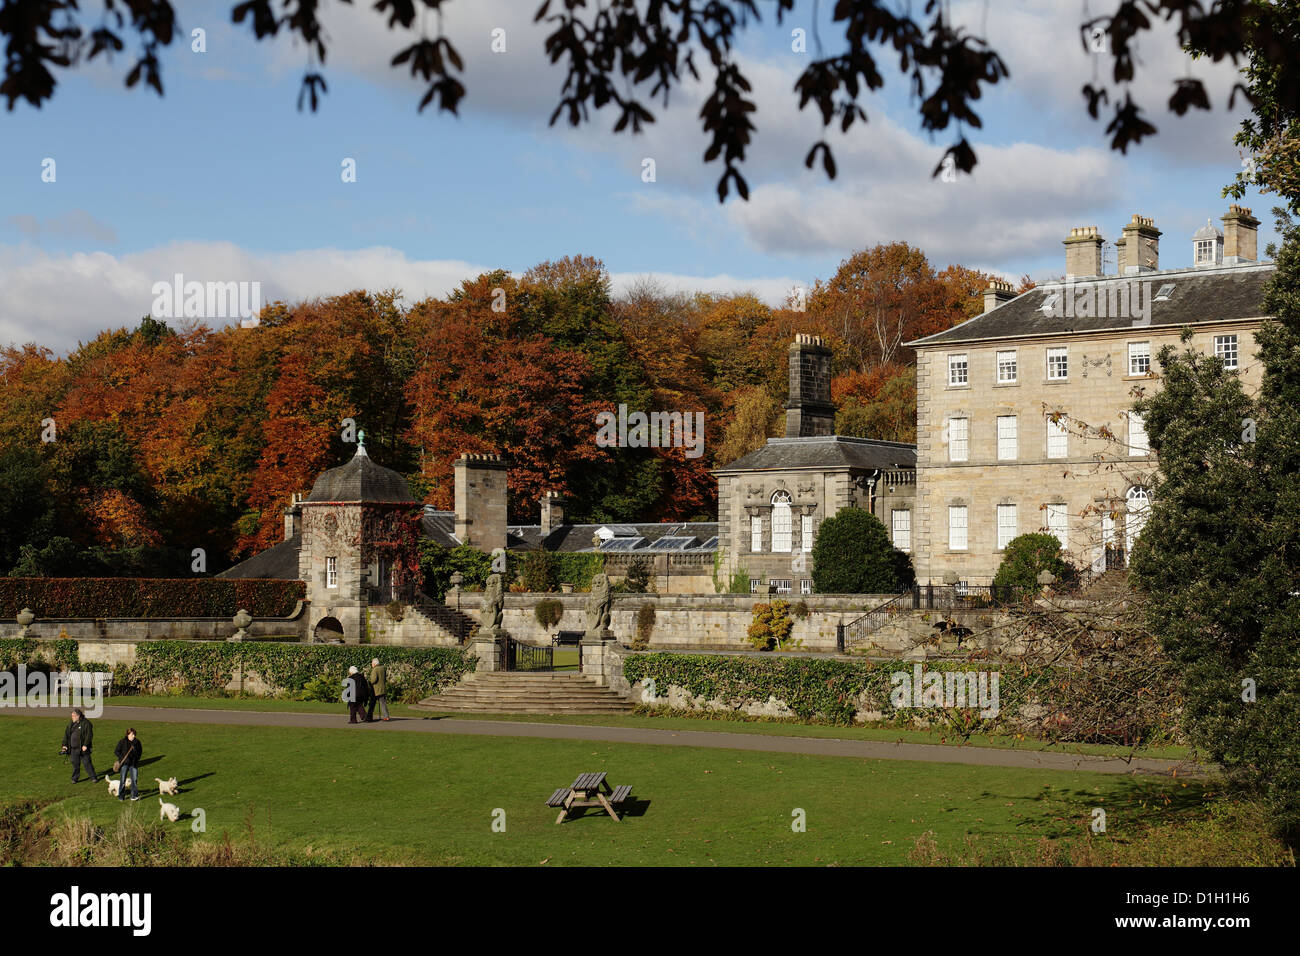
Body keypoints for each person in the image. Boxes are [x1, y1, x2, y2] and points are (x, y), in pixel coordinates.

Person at [60, 707, 98, 783]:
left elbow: (89, 735)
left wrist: (85, 745)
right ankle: (74, 778)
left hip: (83, 749)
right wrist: (64, 745)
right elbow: (66, 735)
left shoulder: (86, 723)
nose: (72, 717)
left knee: (87, 763)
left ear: (78, 716)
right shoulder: (71, 723)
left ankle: (93, 777)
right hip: (73, 749)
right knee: (75, 764)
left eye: (73, 716)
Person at [113, 728, 143, 801]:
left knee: (134, 780)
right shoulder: (122, 742)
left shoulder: (137, 742)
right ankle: (121, 796)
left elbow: (140, 751)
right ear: (128, 734)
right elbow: (116, 751)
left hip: (133, 763)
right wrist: (122, 758)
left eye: (134, 734)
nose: (134, 736)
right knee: (123, 780)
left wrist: (137, 759)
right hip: (124, 764)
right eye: (132, 734)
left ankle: (134, 796)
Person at [366, 657, 390, 722]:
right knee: (383, 703)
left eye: (372, 663)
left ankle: (369, 717)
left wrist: (370, 681)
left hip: (375, 689)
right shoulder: (383, 668)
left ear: (374, 663)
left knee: (372, 704)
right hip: (383, 688)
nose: (371, 664)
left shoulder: (375, 669)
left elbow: (373, 680)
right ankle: (386, 716)